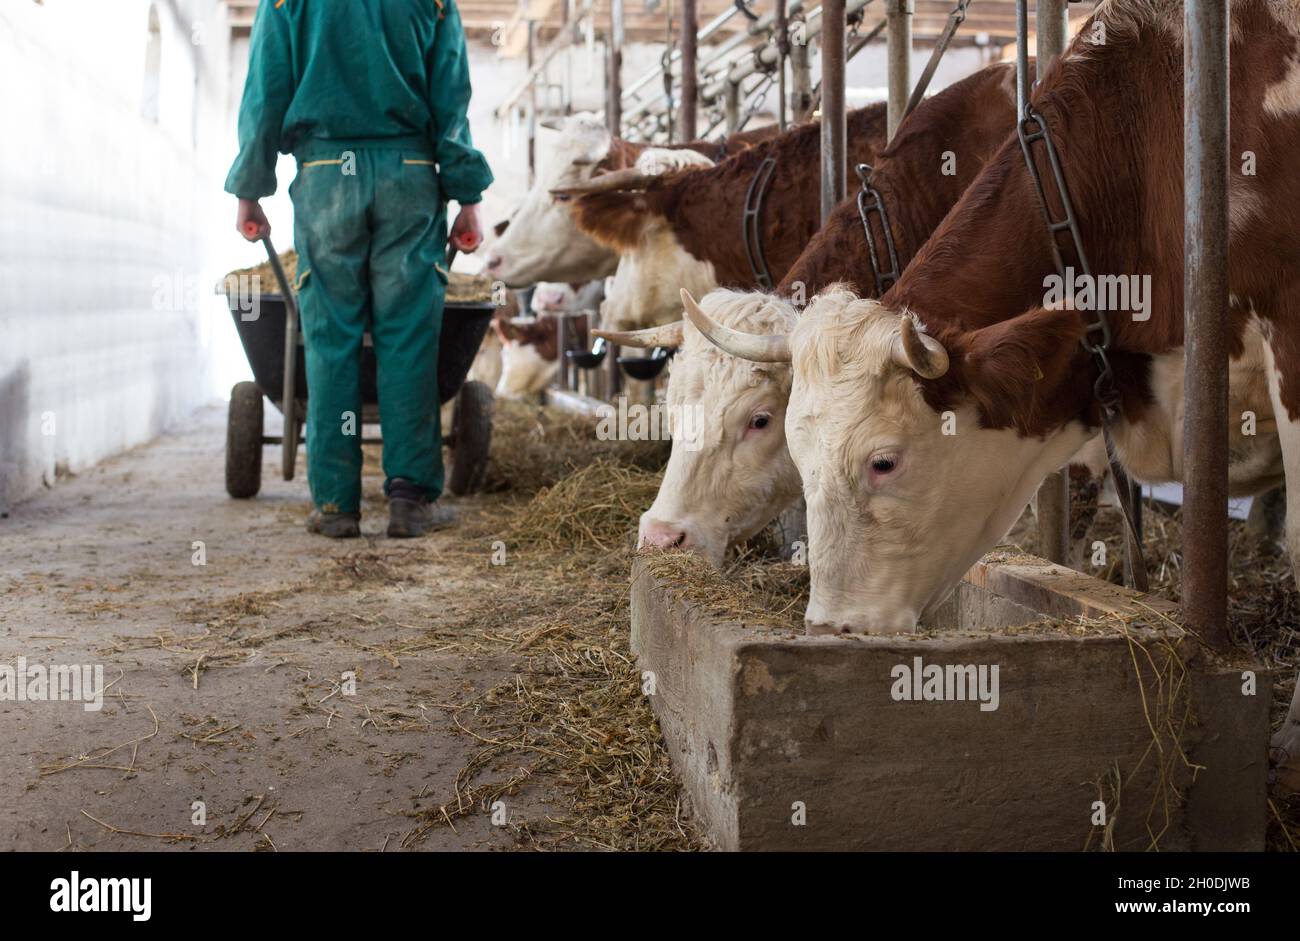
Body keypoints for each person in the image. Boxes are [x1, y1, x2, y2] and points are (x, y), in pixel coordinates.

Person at [225, 0, 493, 538]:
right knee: (409, 335)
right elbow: (451, 96)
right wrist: (466, 193)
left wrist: (251, 188)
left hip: (326, 174)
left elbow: (264, 90)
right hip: (409, 174)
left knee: (328, 334)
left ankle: (335, 505)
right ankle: (408, 499)